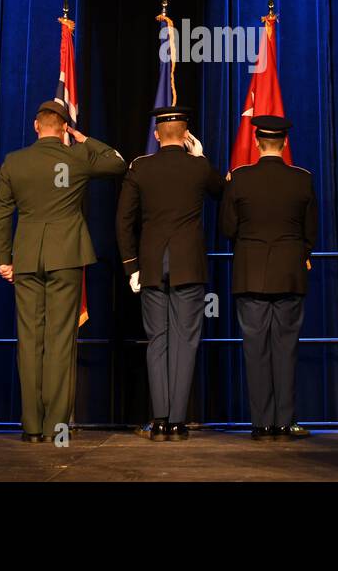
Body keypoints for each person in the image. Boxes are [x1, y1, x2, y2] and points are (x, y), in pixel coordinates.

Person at [0, 100, 126, 442]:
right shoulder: (76, 158)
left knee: (29, 340)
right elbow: (117, 164)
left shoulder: (14, 162)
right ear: (64, 128)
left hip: (26, 258)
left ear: (36, 127)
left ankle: (31, 427)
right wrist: (85, 140)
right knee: (61, 341)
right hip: (66, 255)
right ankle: (56, 427)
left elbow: (2, 214)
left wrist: (4, 258)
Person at [116, 105, 224, 440]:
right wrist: (201, 157)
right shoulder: (199, 166)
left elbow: (123, 222)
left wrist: (131, 265)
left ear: (156, 133)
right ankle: (178, 421)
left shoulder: (140, 168)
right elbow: (224, 192)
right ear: (187, 134)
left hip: (150, 265)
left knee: (157, 341)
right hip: (187, 265)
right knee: (185, 341)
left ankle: (160, 420)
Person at [219, 115, 317, 440]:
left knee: (255, 349)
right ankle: (285, 422)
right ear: (285, 143)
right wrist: (301, 255)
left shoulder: (240, 178)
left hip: (250, 275)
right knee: (286, 348)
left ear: (257, 143)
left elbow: (227, 229)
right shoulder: (302, 179)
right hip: (290, 275)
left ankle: (261, 423)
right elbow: (310, 232)